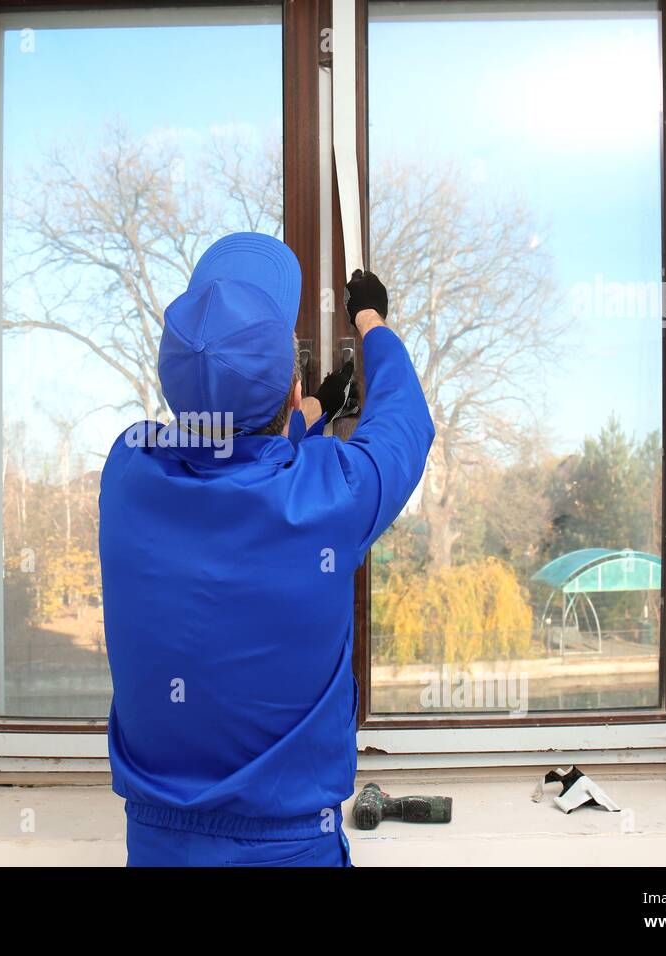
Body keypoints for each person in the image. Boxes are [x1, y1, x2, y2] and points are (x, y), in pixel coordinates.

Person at [98, 232, 434, 866]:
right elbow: (405, 425)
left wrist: (310, 410)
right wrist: (372, 323)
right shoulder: (334, 494)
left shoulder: (127, 474)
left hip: (155, 849)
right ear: (286, 384)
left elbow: (223, 446)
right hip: (290, 853)